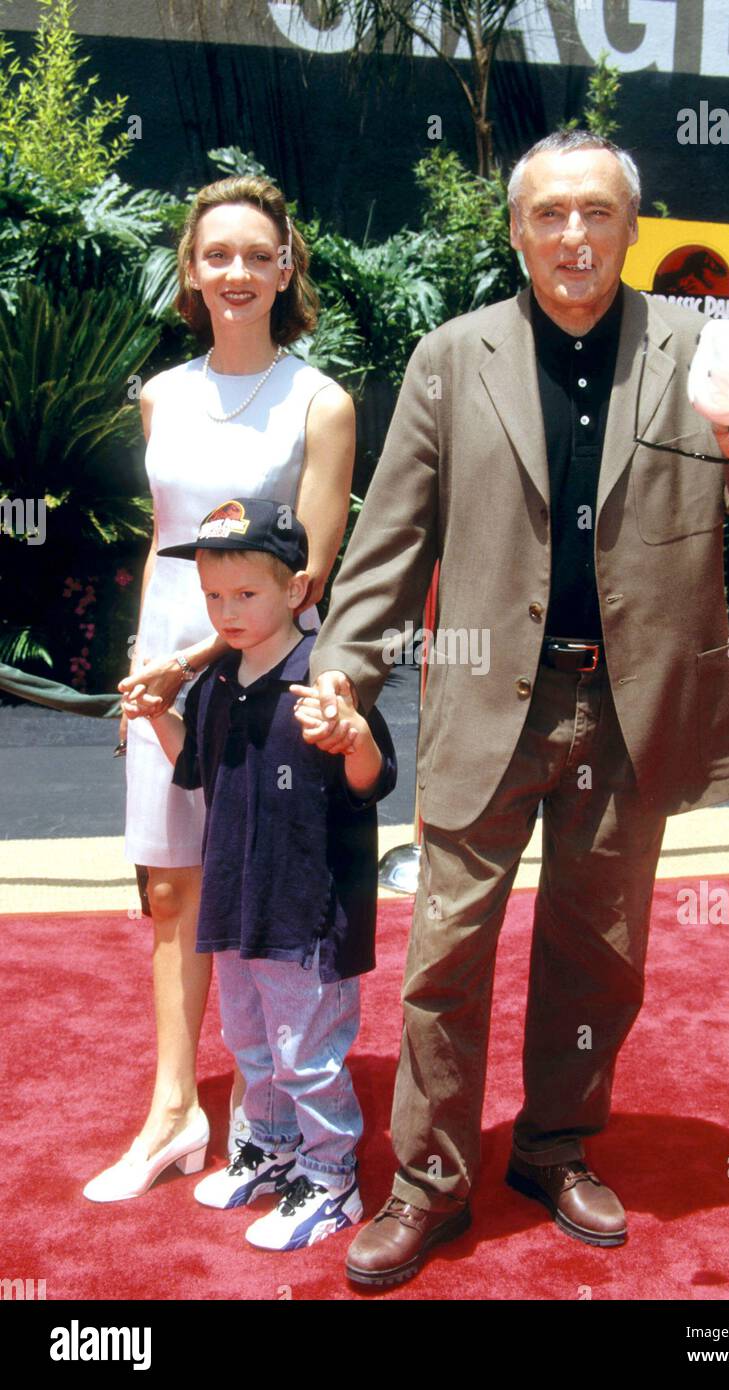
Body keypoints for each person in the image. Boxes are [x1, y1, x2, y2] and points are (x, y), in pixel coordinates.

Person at [304, 130, 729, 1286]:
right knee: (443, 952)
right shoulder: (451, 357)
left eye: (595, 213)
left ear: (631, 227)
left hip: (629, 705)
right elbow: (390, 539)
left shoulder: (701, 346)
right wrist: (346, 664)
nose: (572, 236)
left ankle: (551, 1145)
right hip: (485, 699)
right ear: (516, 228)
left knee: (597, 955)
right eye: (548, 215)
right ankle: (428, 1181)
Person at [83, 175, 355, 1202]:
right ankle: (172, 1110)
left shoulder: (319, 402)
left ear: (285, 268)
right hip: (165, 650)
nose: (235, 272)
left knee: (252, 877)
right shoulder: (159, 392)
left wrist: (189, 664)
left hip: (251, 671)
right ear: (190, 273)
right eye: (215, 256)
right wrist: (143, 669)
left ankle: (272, 1116)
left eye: (255, 254)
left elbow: (312, 572)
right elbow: (165, 542)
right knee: (168, 885)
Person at [108, 497, 395, 1247]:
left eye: (245, 594)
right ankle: (269, 1149)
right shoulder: (215, 684)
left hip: (308, 914)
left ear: (297, 590)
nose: (225, 612)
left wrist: (351, 734)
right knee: (250, 1043)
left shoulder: (325, 680)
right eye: (211, 597)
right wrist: (157, 717)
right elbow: (198, 770)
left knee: (310, 1056)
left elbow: (372, 779)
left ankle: (333, 1177)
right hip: (237, 904)